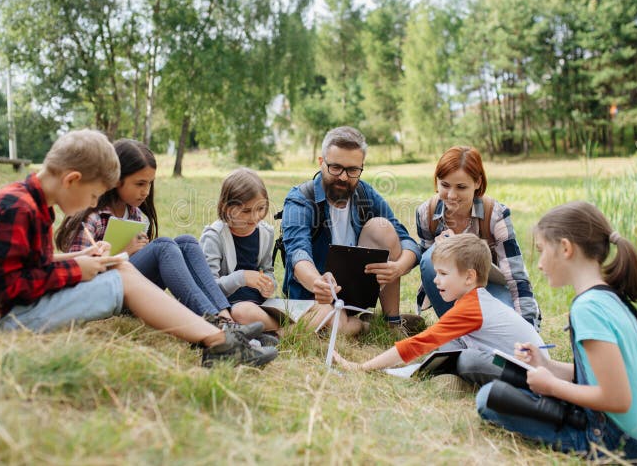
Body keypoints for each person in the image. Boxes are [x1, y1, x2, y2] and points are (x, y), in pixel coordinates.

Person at [0, 130, 277, 368]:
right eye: (94, 195)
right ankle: (219, 340)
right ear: (73, 179)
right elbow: (6, 290)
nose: (94, 203)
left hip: (16, 309)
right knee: (120, 276)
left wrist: (76, 258)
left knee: (122, 268)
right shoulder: (18, 208)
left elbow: (33, 263)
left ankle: (220, 335)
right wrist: (77, 269)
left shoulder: (30, 204)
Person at [476, 201, 637, 460]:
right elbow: (602, 374)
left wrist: (553, 386)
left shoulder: (587, 309)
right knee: (507, 385)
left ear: (566, 248)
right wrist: (546, 365)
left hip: (611, 441)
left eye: (542, 250)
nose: (540, 264)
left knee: (488, 398)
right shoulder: (609, 298)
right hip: (635, 435)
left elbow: (617, 398)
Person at [55, 139, 238, 330]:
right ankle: (213, 324)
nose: (146, 192)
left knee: (187, 242)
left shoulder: (136, 216)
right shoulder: (91, 217)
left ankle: (226, 318)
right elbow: (78, 278)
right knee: (163, 246)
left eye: (150, 183)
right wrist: (124, 253)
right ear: (116, 180)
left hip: (134, 290)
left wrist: (140, 254)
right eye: (140, 183)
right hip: (103, 294)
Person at [333, 233, 546, 389]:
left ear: (469, 277)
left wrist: (361, 367)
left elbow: (418, 344)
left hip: (530, 374)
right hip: (529, 366)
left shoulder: (472, 307)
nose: (435, 280)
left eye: (443, 273)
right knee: (448, 346)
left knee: (464, 358)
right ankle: (437, 375)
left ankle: (460, 384)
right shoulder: (473, 300)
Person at [279, 126, 424, 336]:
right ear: (321, 163)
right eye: (335, 168)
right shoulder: (301, 199)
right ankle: (369, 325)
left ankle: (393, 323)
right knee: (333, 323)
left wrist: (398, 267)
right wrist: (317, 282)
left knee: (382, 226)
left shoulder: (365, 193)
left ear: (361, 167)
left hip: (355, 290)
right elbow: (297, 254)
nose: (344, 177)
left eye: (352, 170)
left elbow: (406, 240)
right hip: (316, 293)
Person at [416, 146, 540, 328]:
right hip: (450, 289)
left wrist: (527, 327)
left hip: (489, 287)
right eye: (445, 185)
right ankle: (457, 331)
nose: (451, 195)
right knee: (430, 255)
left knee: (505, 329)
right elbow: (426, 267)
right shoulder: (425, 213)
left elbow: (515, 274)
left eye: (461, 187)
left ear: (477, 183)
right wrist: (442, 253)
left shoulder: (495, 214)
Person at [200, 168, 280, 343]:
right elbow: (208, 288)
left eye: (261, 208)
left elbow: (267, 270)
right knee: (242, 312)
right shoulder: (214, 237)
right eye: (246, 211)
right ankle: (280, 330)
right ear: (226, 208)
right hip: (229, 307)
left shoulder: (265, 233)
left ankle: (264, 331)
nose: (254, 217)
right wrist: (241, 278)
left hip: (260, 305)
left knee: (319, 308)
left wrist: (269, 284)